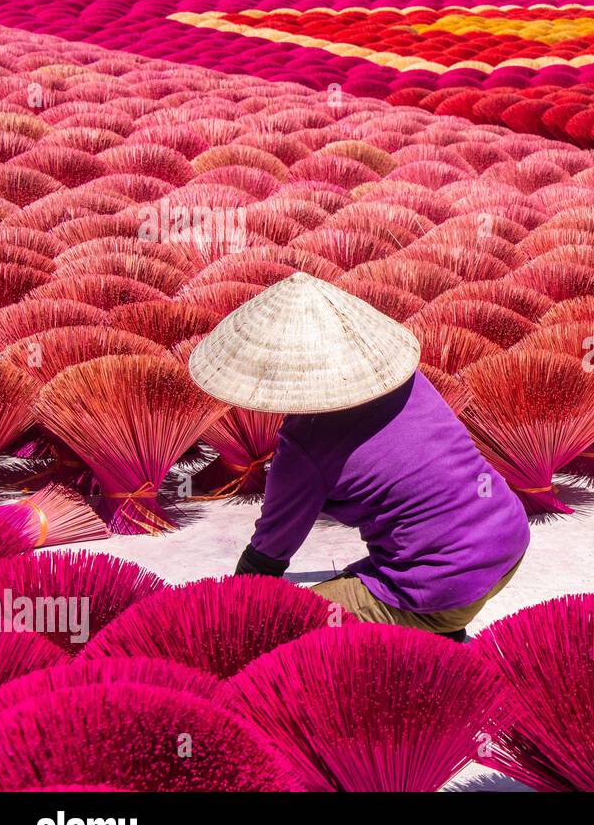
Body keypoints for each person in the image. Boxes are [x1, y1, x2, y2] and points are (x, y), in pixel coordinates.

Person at [188, 272, 529, 640]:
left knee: (293, 624)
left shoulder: (301, 451)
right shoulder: (407, 381)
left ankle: (432, 633)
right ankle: (436, 634)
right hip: (509, 538)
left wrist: (234, 618)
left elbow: (269, 553)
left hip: (444, 581)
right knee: (373, 583)